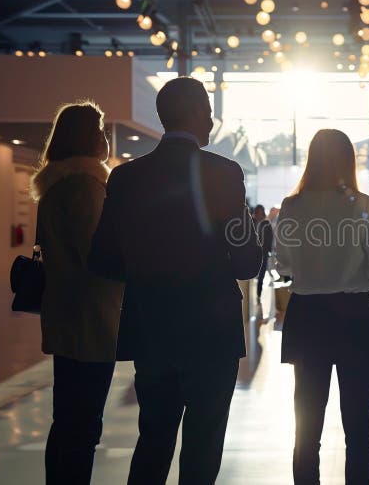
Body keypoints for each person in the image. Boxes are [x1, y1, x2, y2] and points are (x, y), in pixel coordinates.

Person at [88, 77, 262, 484]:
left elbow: (103, 259)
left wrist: (146, 272)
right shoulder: (224, 173)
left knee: (153, 438)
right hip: (212, 332)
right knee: (203, 447)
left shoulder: (127, 178)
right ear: (200, 115)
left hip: (151, 329)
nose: (213, 120)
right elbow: (245, 263)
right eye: (209, 111)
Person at [275, 129, 369, 485]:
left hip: (307, 317)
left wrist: (313, 272)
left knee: (307, 430)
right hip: (355, 316)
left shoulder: (292, 206)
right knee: (358, 432)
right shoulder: (365, 205)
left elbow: (283, 266)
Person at [30, 101, 124, 484]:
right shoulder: (87, 186)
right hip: (93, 319)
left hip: (65, 315)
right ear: (88, 137)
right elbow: (98, 254)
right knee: (84, 426)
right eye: (100, 130)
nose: (105, 138)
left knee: (66, 420)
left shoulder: (54, 184)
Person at [253, 204, 274, 303]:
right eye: (258, 212)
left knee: (261, 274)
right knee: (253, 274)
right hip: (253, 252)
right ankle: (252, 294)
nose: (260, 214)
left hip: (263, 252)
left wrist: (269, 250)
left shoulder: (267, 223)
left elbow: (270, 237)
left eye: (261, 212)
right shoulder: (252, 222)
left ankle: (258, 293)